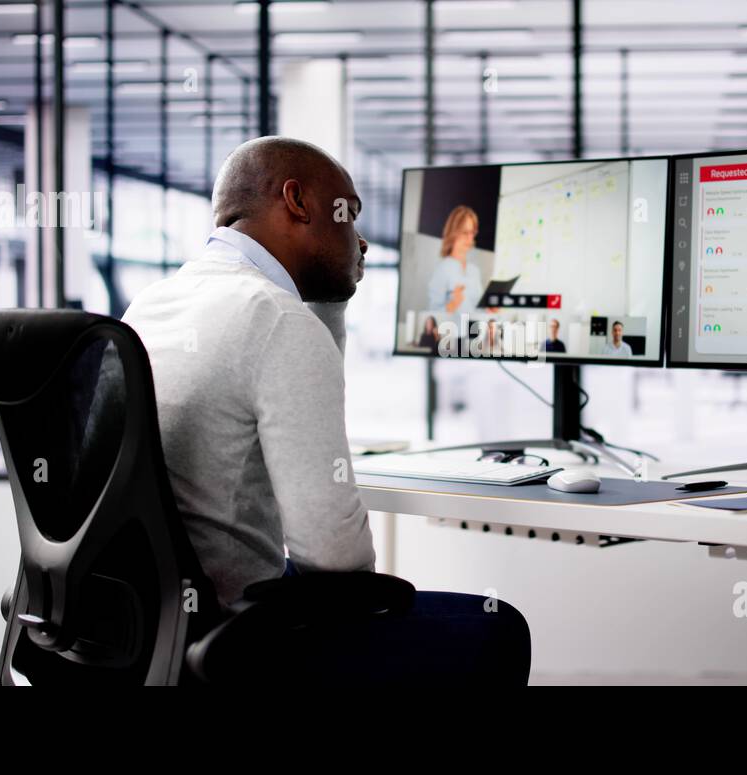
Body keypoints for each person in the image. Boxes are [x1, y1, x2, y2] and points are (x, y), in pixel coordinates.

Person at [121, 137, 529, 684]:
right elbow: (337, 564)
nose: (360, 239)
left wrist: (330, 298)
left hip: (140, 621)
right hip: (235, 634)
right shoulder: (274, 320)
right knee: (498, 626)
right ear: (297, 201)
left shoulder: (154, 302)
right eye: (348, 212)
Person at [427, 205, 484, 314]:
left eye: (472, 233)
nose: (470, 238)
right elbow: (431, 317)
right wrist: (453, 304)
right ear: (453, 233)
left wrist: (489, 310)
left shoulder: (475, 271)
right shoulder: (442, 269)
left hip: (473, 330)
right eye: (465, 233)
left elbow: (476, 311)